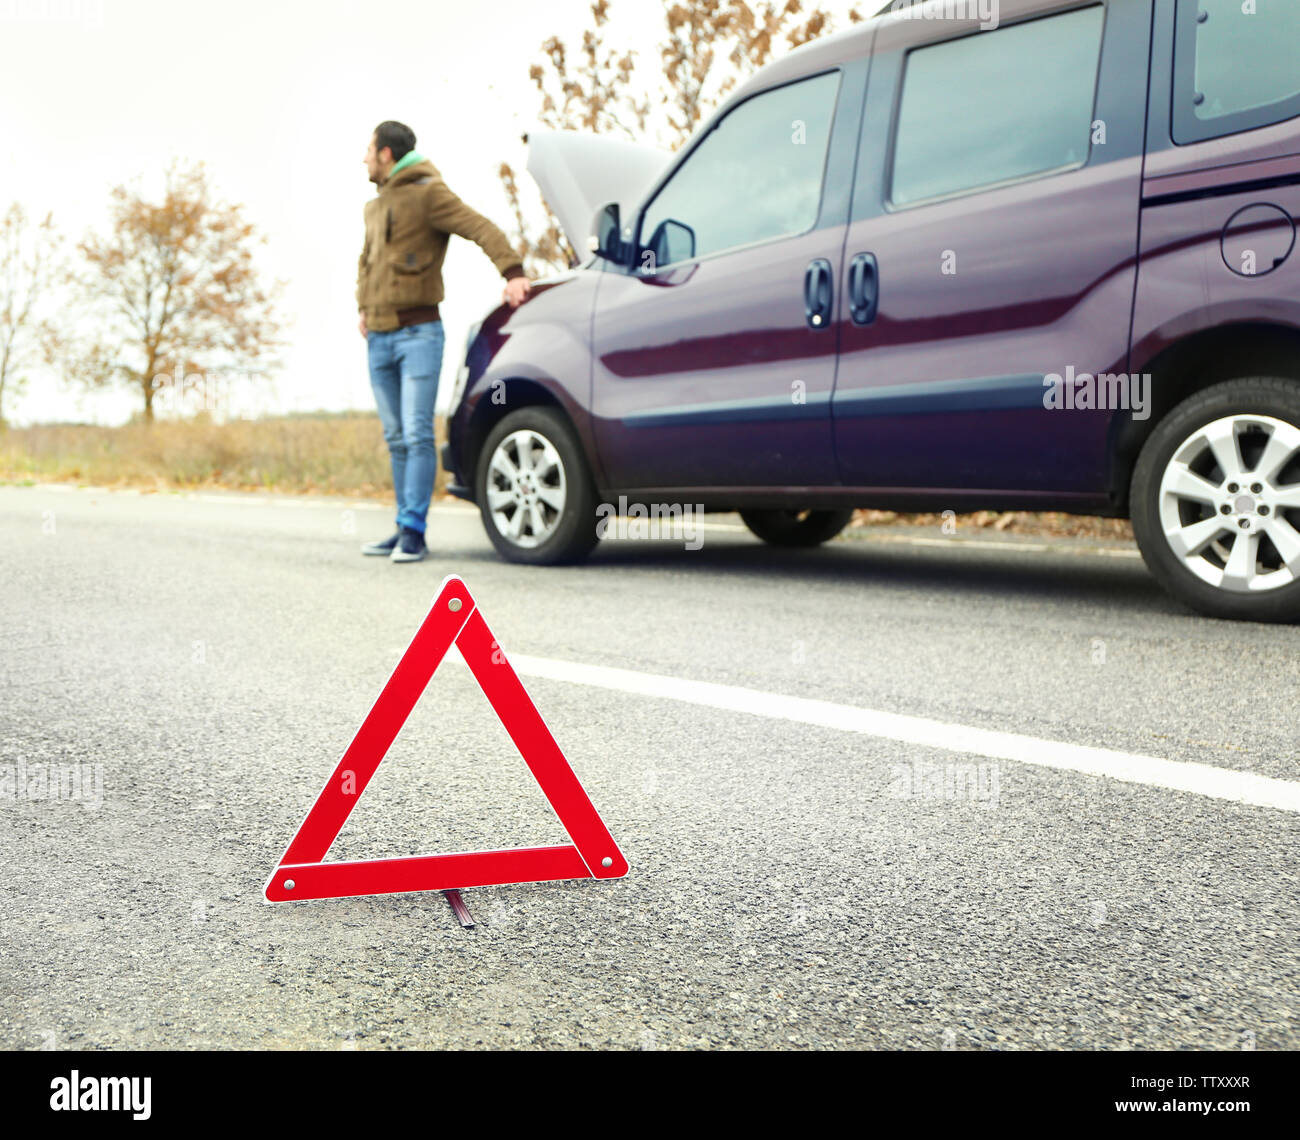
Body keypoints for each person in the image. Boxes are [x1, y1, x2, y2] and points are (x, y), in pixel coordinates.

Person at [357, 120, 531, 563]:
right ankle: (401, 526)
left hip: (418, 335)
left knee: (417, 433)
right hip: (377, 337)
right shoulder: (374, 208)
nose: (363, 159)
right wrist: (363, 306)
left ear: (386, 154)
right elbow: (367, 261)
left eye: (368, 150)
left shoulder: (429, 193)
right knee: (396, 436)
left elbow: (480, 227)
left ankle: (414, 530)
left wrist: (511, 272)